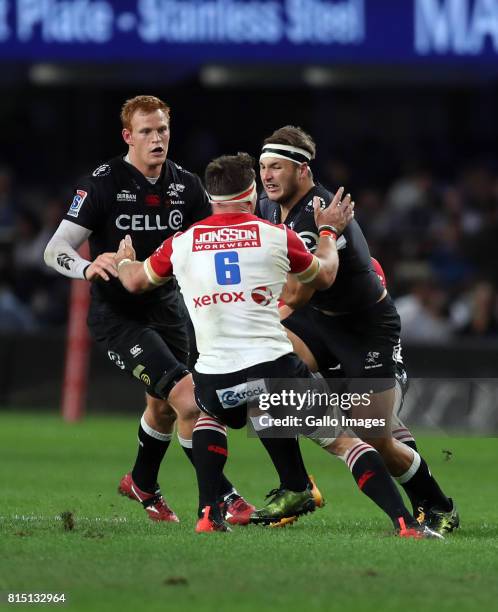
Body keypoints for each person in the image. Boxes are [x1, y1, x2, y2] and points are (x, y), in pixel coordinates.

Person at [115, 152, 359, 533]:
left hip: (214, 356)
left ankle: (203, 504)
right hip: (270, 346)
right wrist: (328, 233)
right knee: (341, 434)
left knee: (196, 408)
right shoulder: (274, 234)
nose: (269, 177)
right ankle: (401, 513)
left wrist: (123, 261)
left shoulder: (184, 240)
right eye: (263, 171)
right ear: (252, 193)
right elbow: (320, 278)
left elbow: (135, 281)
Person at [44, 95, 252, 524]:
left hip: (169, 309)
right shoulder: (102, 183)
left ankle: (141, 482)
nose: (157, 139)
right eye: (146, 132)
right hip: (119, 316)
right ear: (128, 137)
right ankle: (226, 497)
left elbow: (205, 246)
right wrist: (89, 266)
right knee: (189, 401)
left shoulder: (187, 185)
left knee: (162, 407)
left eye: (162, 130)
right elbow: (54, 250)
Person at [258, 126, 458, 535]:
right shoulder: (267, 206)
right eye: (263, 167)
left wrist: (250, 321)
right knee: (263, 368)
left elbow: (295, 294)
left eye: (276, 167)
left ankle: (438, 504)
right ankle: (295, 485)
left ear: (303, 170)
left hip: (365, 328)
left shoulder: (316, 212)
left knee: (377, 439)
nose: (268, 176)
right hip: (318, 321)